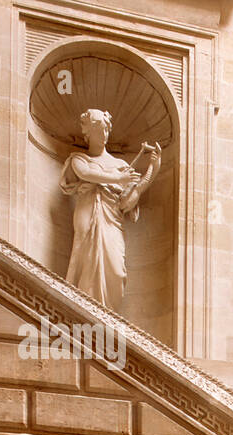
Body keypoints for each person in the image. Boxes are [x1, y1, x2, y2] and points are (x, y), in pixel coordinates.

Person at [59, 109, 161, 309]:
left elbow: (128, 201)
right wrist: (118, 179)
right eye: (99, 130)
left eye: (106, 130)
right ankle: (81, 310)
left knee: (116, 270)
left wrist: (153, 170)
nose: (104, 135)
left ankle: (107, 315)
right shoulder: (79, 159)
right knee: (87, 259)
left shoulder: (120, 165)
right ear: (88, 133)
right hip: (88, 214)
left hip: (112, 219)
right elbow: (86, 173)